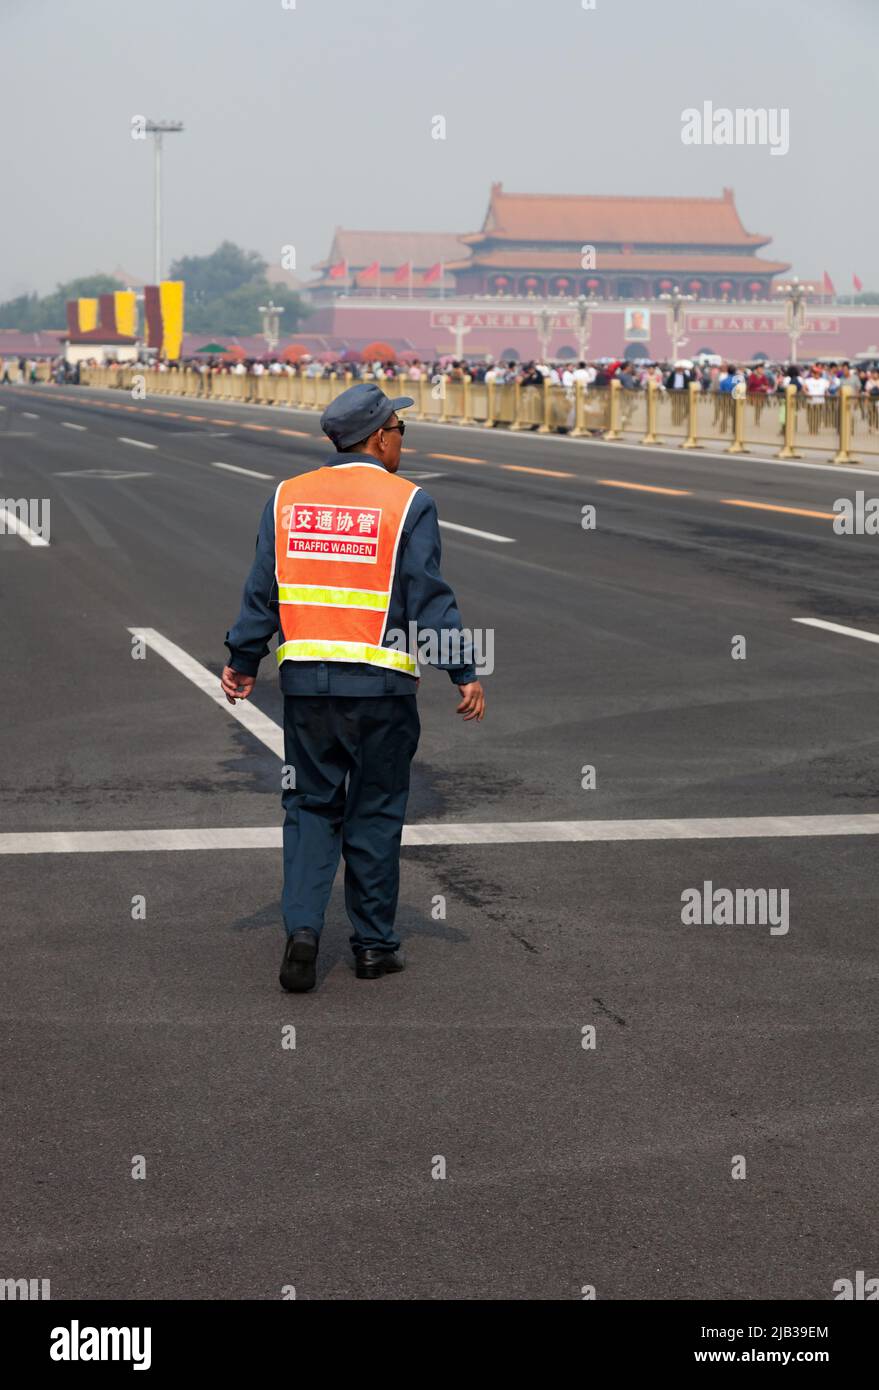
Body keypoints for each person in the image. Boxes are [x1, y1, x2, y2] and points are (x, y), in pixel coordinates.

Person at [222, 382, 486, 993]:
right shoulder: (407, 502)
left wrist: (241, 659)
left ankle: (305, 932)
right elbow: (429, 600)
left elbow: (263, 590)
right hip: (382, 690)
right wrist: (463, 672)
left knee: (311, 807)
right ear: (376, 437)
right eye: (400, 431)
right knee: (375, 812)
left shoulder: (288, 498)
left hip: (307, 688)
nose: (402, 441)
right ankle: (372, 947)